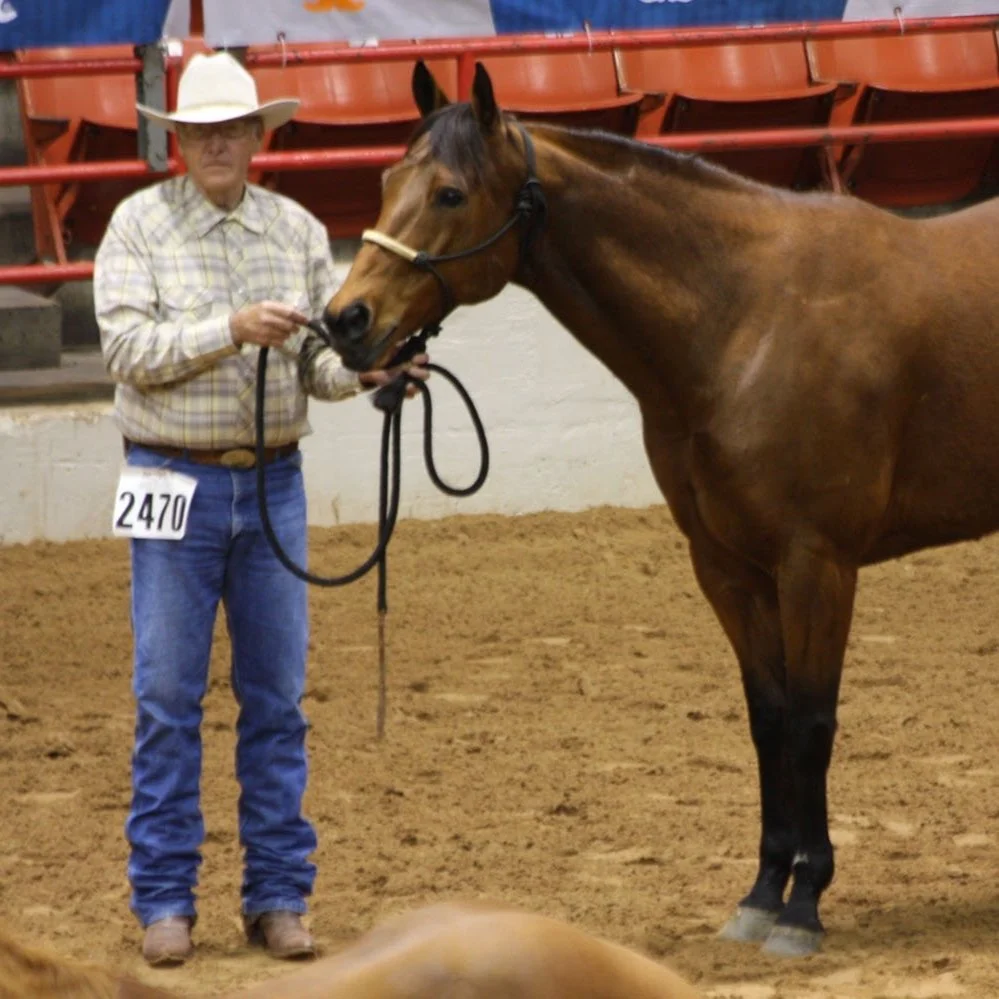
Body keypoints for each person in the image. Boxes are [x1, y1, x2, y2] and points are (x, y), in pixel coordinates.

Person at [93, 51, 428, 968]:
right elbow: (125, 349)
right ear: (180, 143)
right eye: (200, 132)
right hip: (170, 476)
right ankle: (164, 898)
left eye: (230, 130)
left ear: (255, 137)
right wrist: (228, 330)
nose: (215, 145)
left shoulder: (296, 229)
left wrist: (366, 373)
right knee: (166, 696)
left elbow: (317, 363)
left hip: (273, 477)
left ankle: (278, 894)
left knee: (275, 699)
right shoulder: (136, 226)